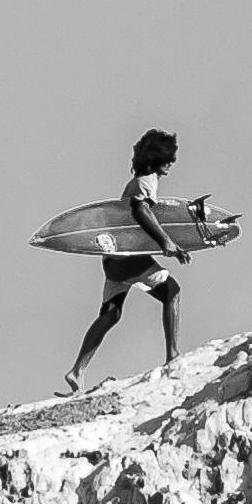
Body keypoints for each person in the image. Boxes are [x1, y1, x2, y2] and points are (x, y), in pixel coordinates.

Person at [64, 129, 183, 389]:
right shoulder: (146, 182)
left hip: (112, 262)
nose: (172, 163)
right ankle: (173, 354)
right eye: (169, 158)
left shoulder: (138, 182)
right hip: (130, 259)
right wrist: (166, 242)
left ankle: (77, 371)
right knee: (172, 291)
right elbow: (141, 211)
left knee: (111, 315)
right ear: (158, 159)